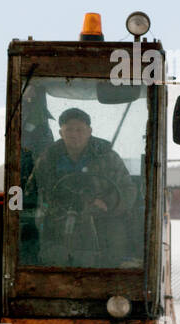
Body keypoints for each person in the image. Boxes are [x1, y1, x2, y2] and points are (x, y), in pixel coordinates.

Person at [24, 107, 137, 266]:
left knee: (111, 253)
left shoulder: (108, 157)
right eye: (69, 129)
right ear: (61, 132)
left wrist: (107, 203)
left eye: (79, 129)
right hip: (59, 224)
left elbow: (128, 190)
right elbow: (31, 191)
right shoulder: (48, 159)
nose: (74, 134)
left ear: (89, 131)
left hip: (103, 223)